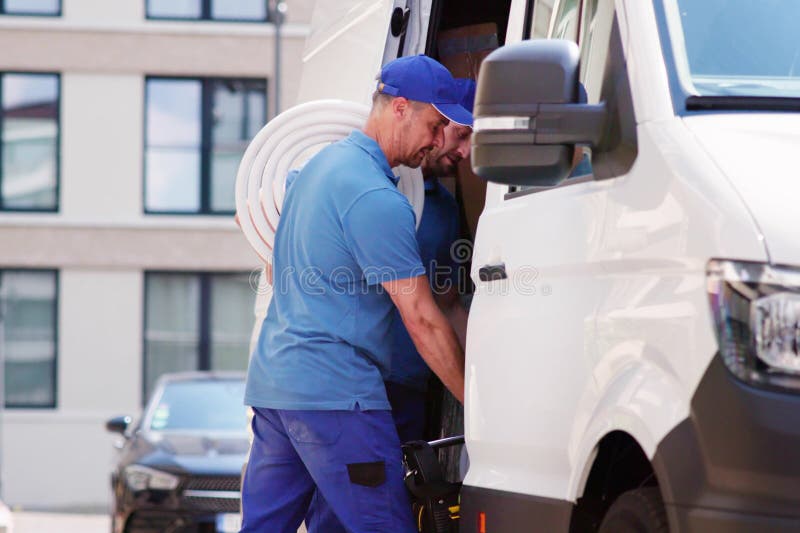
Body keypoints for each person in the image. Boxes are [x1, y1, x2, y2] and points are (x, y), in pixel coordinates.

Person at [241, 55, 469, 533]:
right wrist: (476, 401)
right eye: (434, 124)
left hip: (275, 388)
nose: (435, 140)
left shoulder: (314, 171)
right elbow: (422, 317)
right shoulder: (376, 198)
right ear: (400, 109)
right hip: (336, 396)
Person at [385, 78, 475, 444]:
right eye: (461, 134)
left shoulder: (445, 208)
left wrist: (487, 381)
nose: (465, 152)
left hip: (409, 386)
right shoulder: (369, 186)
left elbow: (447, 303)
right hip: (356, 382)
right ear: (437, 122)